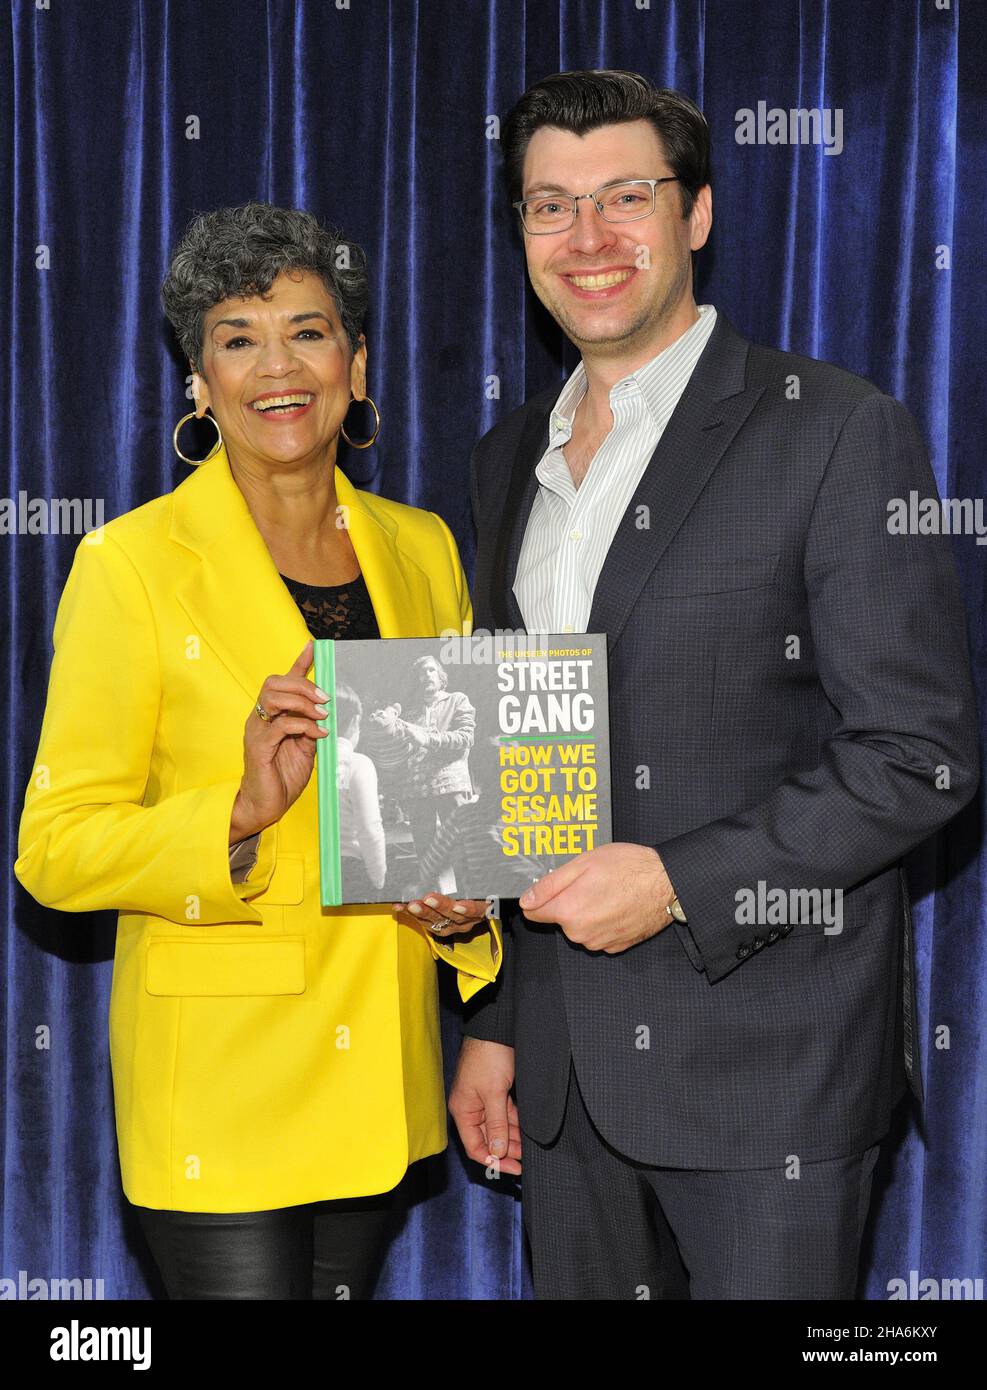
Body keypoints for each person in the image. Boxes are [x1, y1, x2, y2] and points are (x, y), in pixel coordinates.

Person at [450, 71, 979, 1300]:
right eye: (549, 206)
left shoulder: (836, 431)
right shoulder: (501, 460)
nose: (587, 240)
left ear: (694, 215)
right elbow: (531, 772)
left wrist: (681, 881)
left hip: (770, 1074)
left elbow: (920, 751)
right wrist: (497, 1024)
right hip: (566, 1085)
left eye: (624, 198)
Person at [14, 202, 500, 1300]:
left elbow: (459, 796)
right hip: (220, 1098)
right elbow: (53, 849)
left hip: (379, 1072)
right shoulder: (130, 565)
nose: (277, 367)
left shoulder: (420, 548)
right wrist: (233, 815)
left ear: (357, 361)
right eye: (238, 337)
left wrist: (466, 910)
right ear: (199, 382)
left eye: (309, 330)